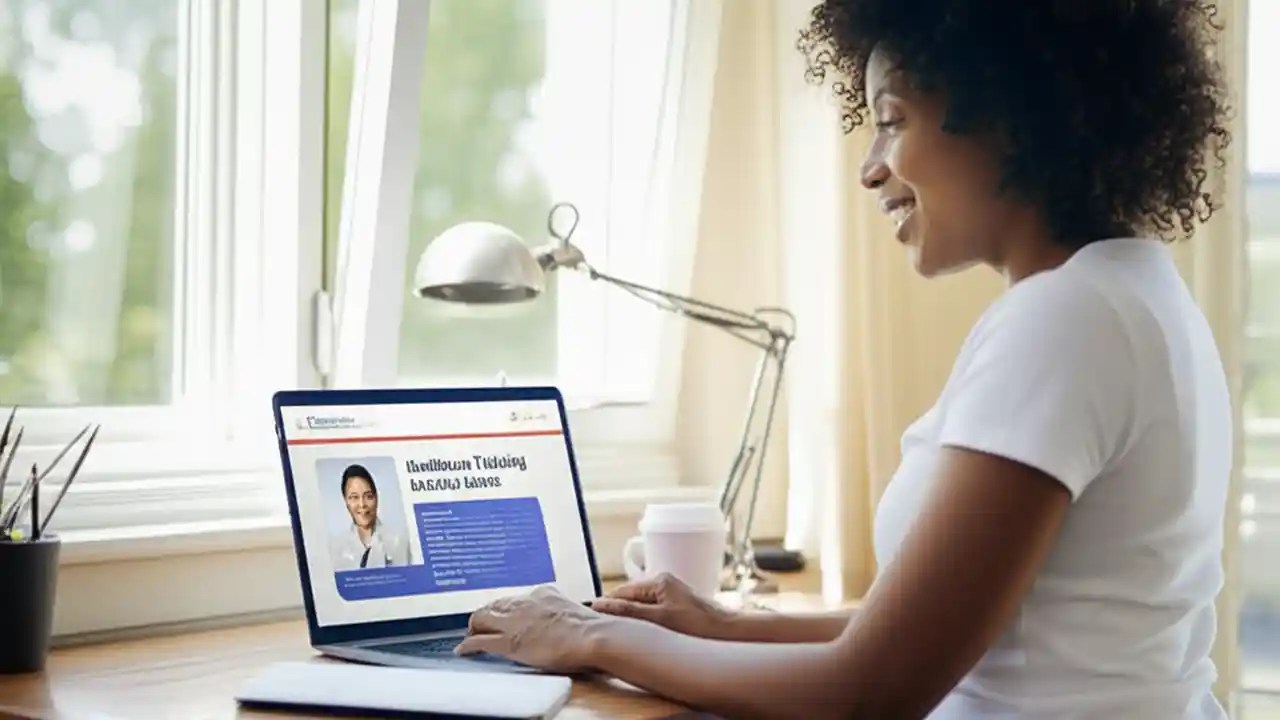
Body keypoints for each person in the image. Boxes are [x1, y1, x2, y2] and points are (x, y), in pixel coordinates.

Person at [453, 1, 1235, 717]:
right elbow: (952, 623)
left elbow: (873, 687)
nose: (870, 165)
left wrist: (589, 638)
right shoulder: (1137, 294)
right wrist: (723, 625)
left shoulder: (1064, 320)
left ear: (1007, 113)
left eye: (891, 121)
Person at [329, 463, 411, 570]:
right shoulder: (335, 549)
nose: (362, 504)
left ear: (376, 498)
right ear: (346, 501)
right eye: (354, 497)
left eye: (368, 496)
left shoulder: (399, 542)